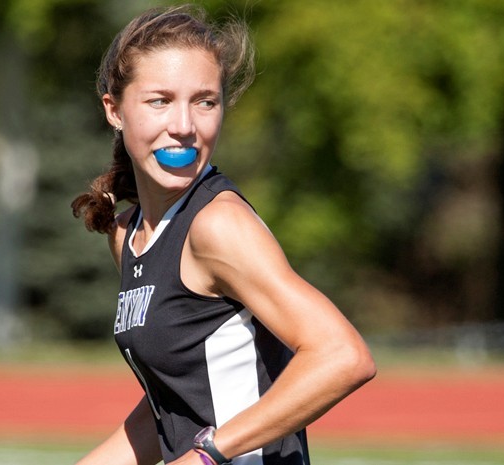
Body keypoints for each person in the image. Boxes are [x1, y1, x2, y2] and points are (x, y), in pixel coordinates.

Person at [71, 5, 376, 465]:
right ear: (114, 110)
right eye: (160, 101)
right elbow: (172, 406)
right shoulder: (127, 236)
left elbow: (342, 356)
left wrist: (208, 455)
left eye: (205, 102)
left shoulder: (217, 225)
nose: (184, 126)